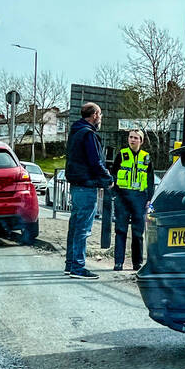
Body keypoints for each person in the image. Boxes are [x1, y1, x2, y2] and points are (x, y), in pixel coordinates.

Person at [63, 101, 113, 279]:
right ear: (95, 115)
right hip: (86, 185)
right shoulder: (89, 135)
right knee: (83, 228)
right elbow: (95, 162)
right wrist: (107, 179)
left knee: (75, 225)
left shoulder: (75, 132)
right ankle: (78, 267)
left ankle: (70, 264)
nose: (100, 118)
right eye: (99, 115)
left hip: (76, 185)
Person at [112, 128, 152, 272]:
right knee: (120, 230)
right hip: (122, 197)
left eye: (135, 138)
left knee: (137, 232)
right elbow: (114, 174)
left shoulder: (146, 157)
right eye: (130, 137)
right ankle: (118, 262)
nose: (132, 140)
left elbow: (150, 179)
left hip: (139, 198)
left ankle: (137, 263)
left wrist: (149, 198)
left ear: (141, 141)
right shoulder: (122, 155)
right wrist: (115, 193)